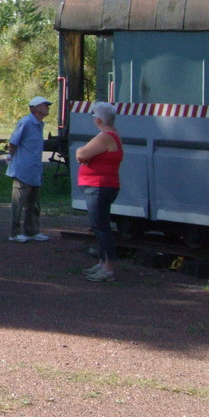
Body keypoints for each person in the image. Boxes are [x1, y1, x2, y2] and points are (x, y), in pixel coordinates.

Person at [76, 101, 123, 282]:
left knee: (101, 227)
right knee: (99, 226)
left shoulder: (105, 137)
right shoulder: (111, 135)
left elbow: (81, 154)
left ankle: (108, 268)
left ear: (99, 119)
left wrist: (83, 153)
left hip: (99, 186)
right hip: (103, 185)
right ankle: (103, 262)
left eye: (94, 116)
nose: (93, 119)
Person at [6, 96, 53, 242]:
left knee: (33, 204)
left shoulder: (39, 124)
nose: (48, 108)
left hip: (34, 170)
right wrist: (11, 158)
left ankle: (31, 231)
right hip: (23, 170)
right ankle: (14, 234)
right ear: (37, 107)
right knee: (18, 204)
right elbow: (13, 142)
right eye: (45, 105)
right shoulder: (26, 122)